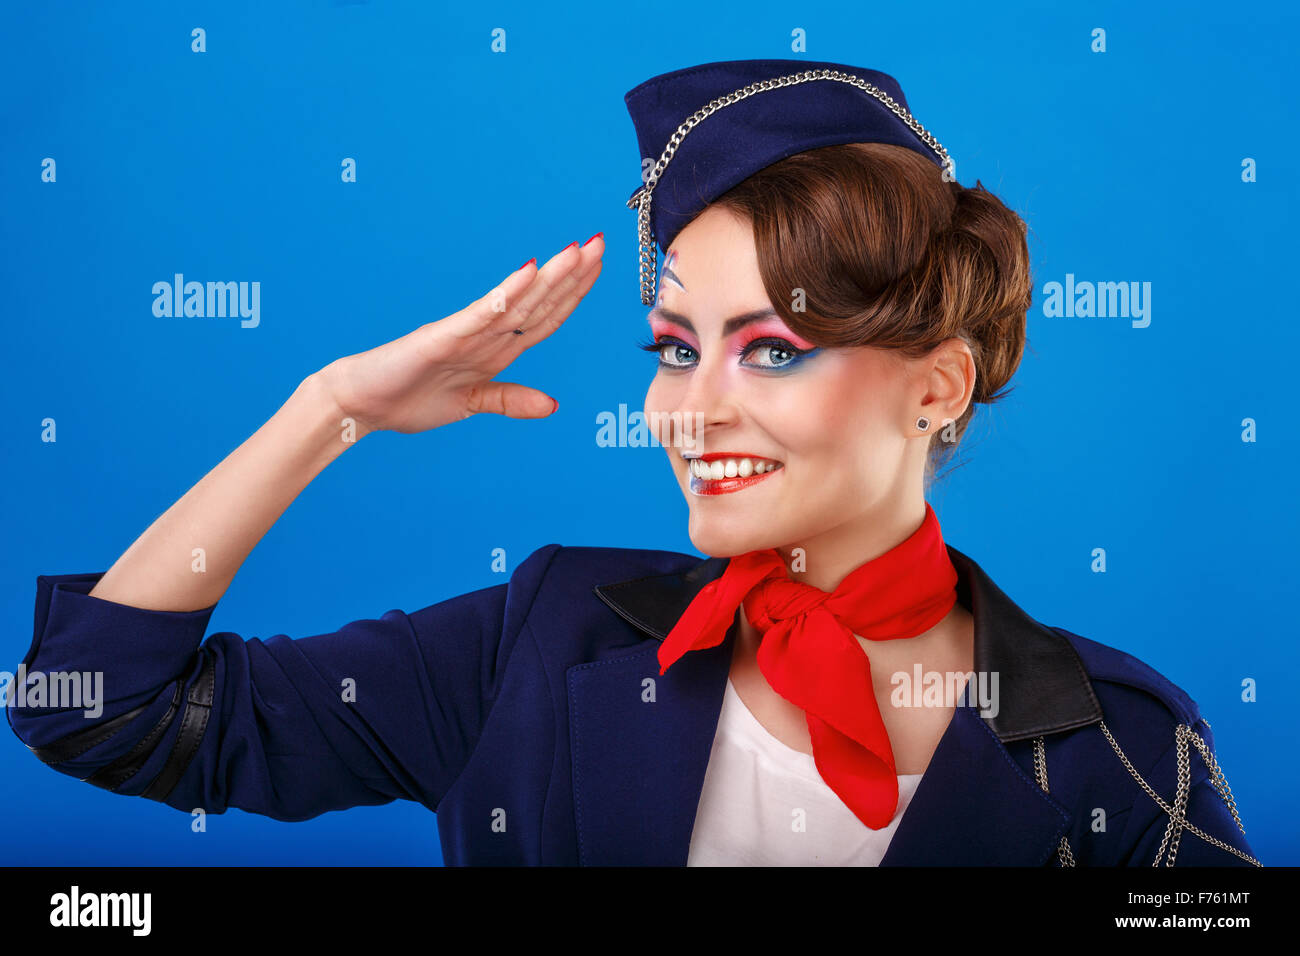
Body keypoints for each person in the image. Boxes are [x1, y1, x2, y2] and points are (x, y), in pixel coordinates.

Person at [8, 58, 1259, 866]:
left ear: (938, 384)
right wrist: (326, 409)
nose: (685, 409)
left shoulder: (1123, 747)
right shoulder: (540, 643)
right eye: (673, 345)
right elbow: (97, 708)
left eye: (768, 350)